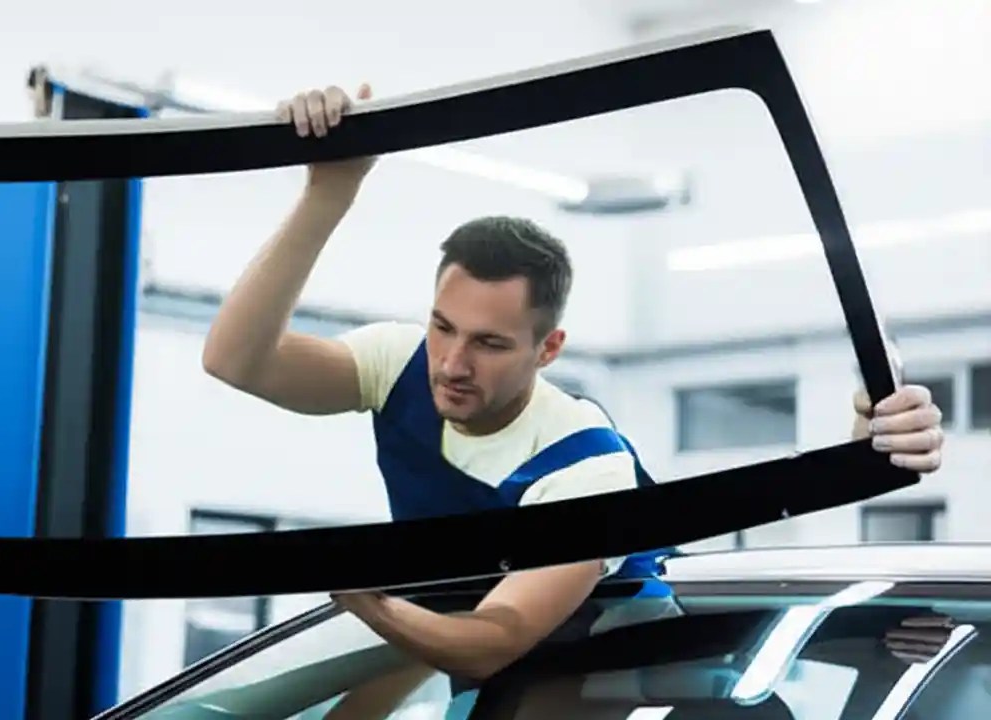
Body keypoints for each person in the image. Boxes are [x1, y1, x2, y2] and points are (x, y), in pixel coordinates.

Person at [201, 83, 946, 683]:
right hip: (455, 616)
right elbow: (237, 360)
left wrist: (362, 592)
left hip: (621, 662)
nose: (453, 363)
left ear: (548, 348)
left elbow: (493, 640)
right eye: (443, 327)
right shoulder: (401, 361)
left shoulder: (585, 467)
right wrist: (328, 192)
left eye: (490, 343)